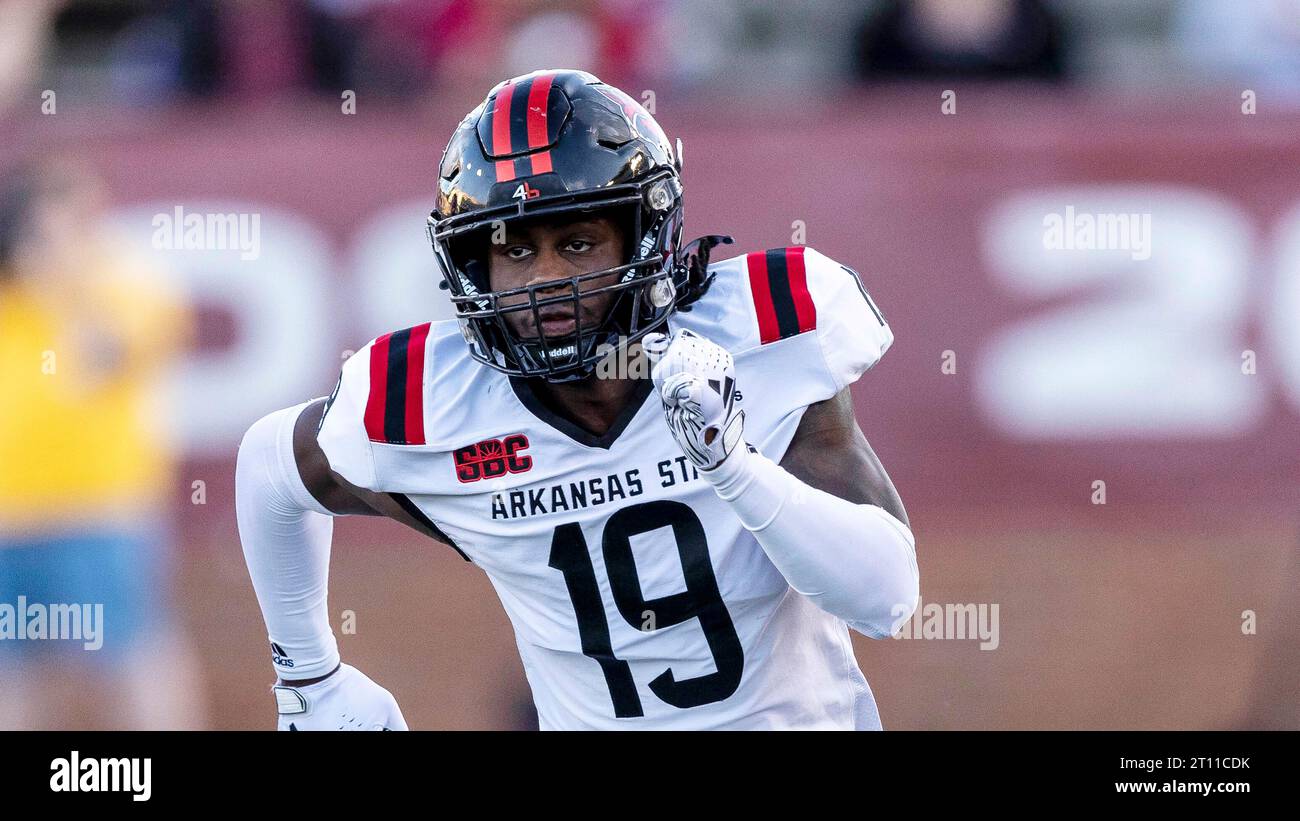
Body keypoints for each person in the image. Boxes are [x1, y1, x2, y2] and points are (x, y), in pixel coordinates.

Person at [236, 69, 919, 730]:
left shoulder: (761, 334)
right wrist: (308, 678)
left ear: (645, 233)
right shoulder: (432, 404)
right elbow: (270, 466)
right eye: (518, 253)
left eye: (579, 242)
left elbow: (886, 598)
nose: (548, 281)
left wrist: (735, 468)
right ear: (474, 265)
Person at [0, 157, 205, 729]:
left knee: (135, 657)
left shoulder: (128, 285)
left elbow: (100, 362)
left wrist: (61, 286)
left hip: (100, 508)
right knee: (14, 676)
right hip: (8, 516)